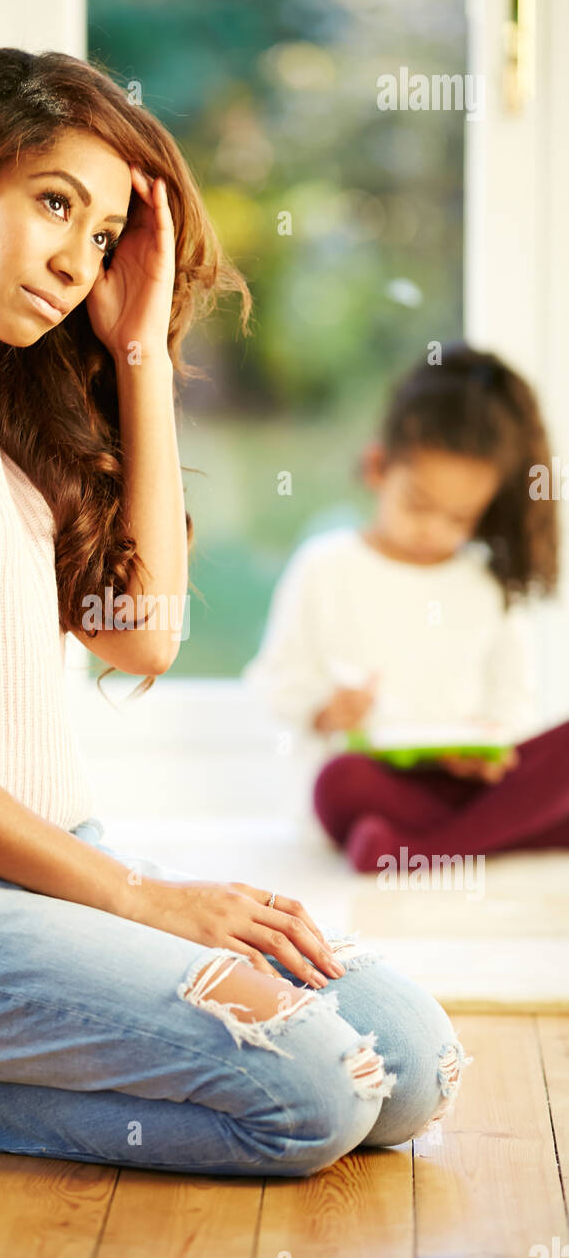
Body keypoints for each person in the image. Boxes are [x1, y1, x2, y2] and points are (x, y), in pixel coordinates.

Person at [0, 48, 467, 1177]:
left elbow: (146, 632)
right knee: (312, 1096)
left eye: (106, 236)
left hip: (36, 870)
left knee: (405, 1065)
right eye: (53, 203)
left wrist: (134, 353)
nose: (78, 260)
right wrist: (144, 901)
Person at [243, 342, 563, 874]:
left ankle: (411, 851)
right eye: (418, 504)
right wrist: (326, 711)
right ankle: (465, 842)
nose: (432, 530)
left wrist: (486, 750)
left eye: (458, 518)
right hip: (372, 783)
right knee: (339, 782)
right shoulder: (327, 567)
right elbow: (276, 683)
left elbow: (513, 705)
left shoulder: (487, 583)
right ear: (378, 468)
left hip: (462, 787)